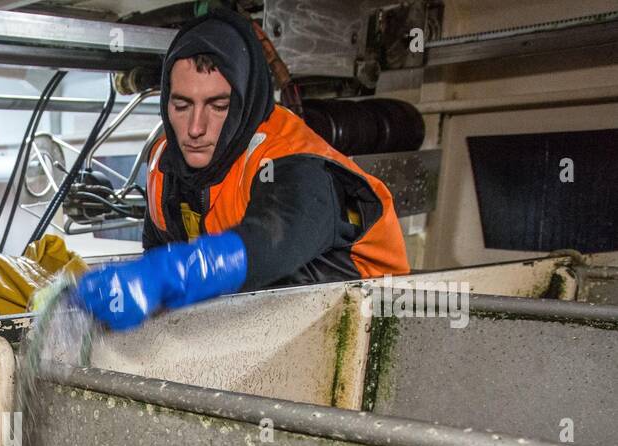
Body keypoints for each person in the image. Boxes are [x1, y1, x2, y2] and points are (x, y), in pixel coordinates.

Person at [73, 5, 408, 329]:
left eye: (218, 106)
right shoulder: (164, 164)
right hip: (257, 333)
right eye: (181, 104)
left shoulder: (294, 163)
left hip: (366, 330)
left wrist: (163, 278)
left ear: (245, 102)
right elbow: (160, 251)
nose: (195, 128)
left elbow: (267, 244)